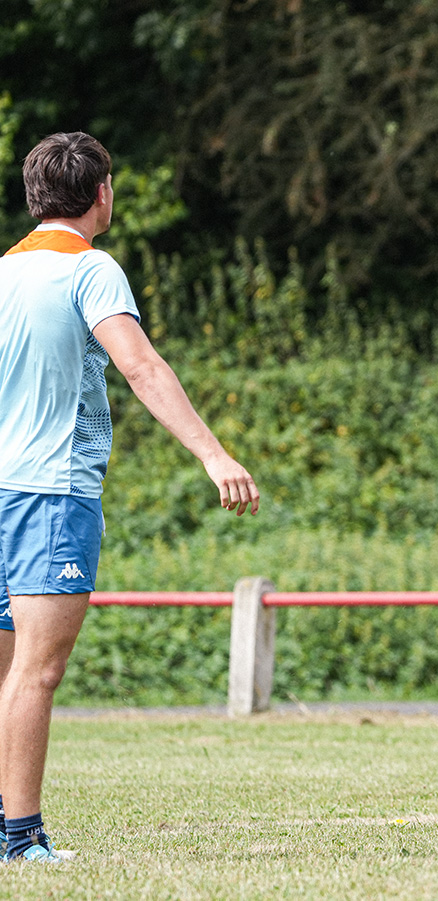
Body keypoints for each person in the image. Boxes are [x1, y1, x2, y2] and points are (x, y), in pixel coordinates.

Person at [0, 132, 260, 863]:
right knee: (37, 671)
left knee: (7, 670)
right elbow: (141, 366)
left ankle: (5, 822)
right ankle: (20, 839)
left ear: (33, 195)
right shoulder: (91, 269)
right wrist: (214, 453)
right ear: (101, 193)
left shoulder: (3, 271)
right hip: (50, 494)